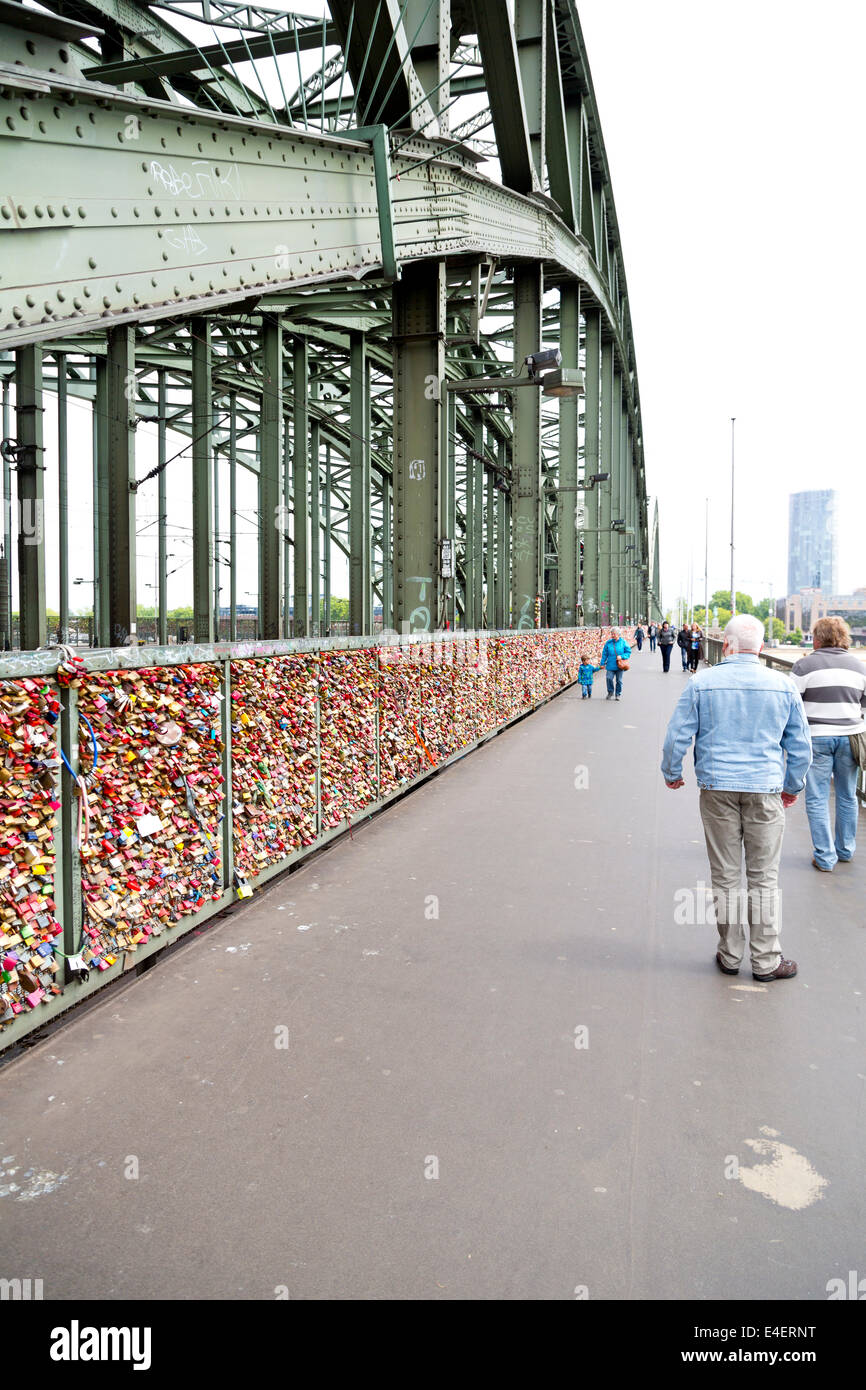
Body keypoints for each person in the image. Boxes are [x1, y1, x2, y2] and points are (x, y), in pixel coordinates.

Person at [660, 614, 812, 982]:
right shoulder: (783, 684)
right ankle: (766, 961)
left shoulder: (702, 683)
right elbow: (800, 746)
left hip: (717, 790)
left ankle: (730, 955)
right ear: (760, 647)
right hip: (765, 789)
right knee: (764, 877)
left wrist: (673, 772)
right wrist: (792, 786)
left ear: (726, 644)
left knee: (725, 875)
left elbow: (677, 735)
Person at [790, 616, 866, 871]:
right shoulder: (859, 666)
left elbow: (792, 704)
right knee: (847, 795)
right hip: (851, 736)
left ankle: (824, 857)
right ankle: (845, 850)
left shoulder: (804, 665)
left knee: (817, 797)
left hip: (816, 737)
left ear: (818, 638)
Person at [598, 627, 632, 701]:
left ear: (618, 634)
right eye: (611, 634)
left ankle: (618, 694)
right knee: (609, 678)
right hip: (610, 664)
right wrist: (602, 663)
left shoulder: (623, 642)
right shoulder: (608, 643)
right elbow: (604, 654)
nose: (612, 635)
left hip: (620, 665)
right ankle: (610, 692)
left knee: (619, 680)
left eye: (614, 634)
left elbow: (628, 652)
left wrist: (622, 656)